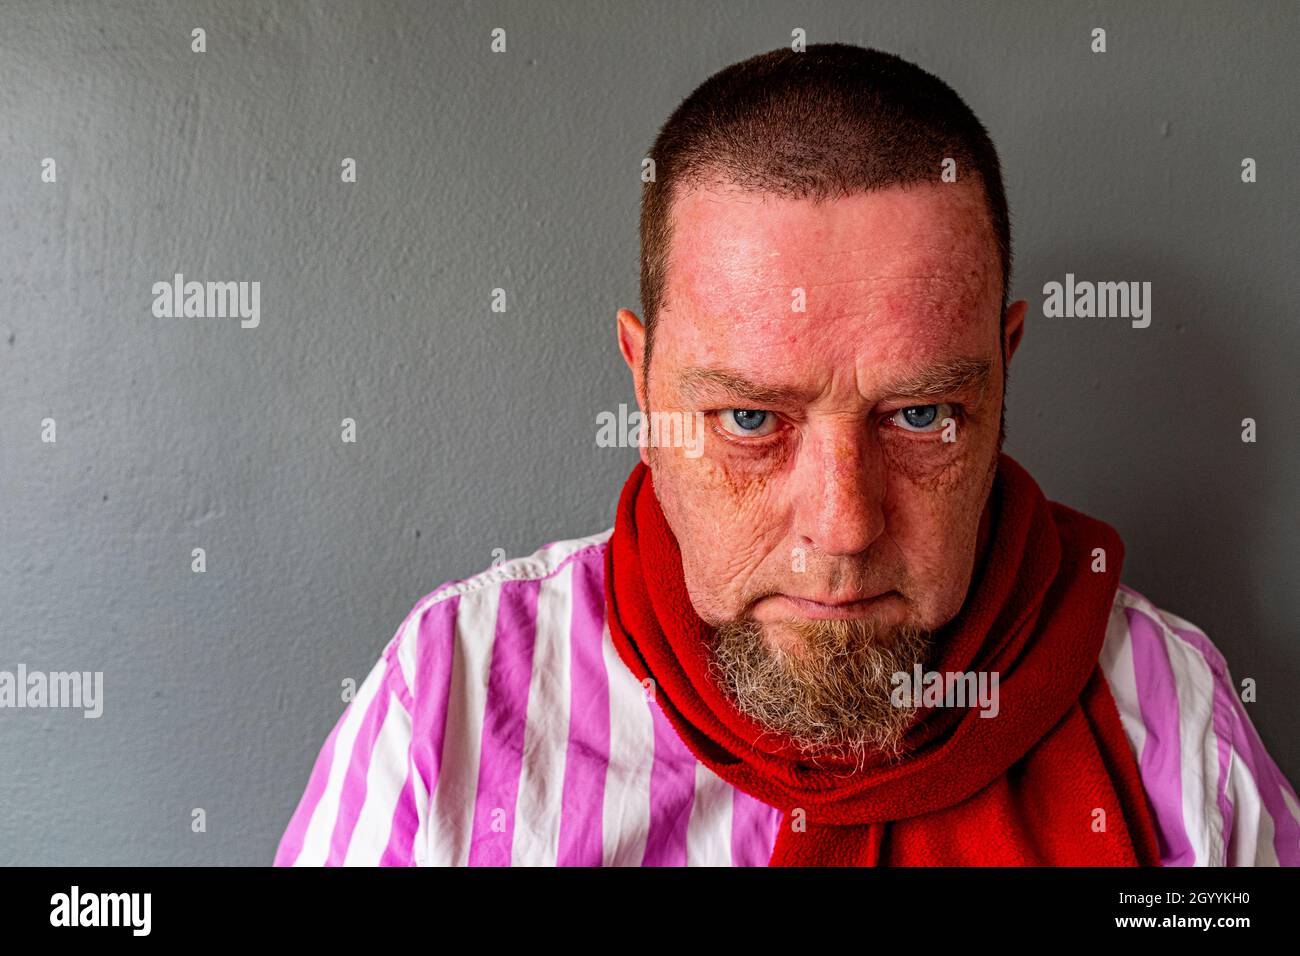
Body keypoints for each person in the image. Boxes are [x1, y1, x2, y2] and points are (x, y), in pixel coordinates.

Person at [275, 43, 1299, 867]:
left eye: (921, 414)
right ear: (642, 385)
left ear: (1003, 373)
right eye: (751, 422)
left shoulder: (1165, 712)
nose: (842, 528)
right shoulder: (457, 694)